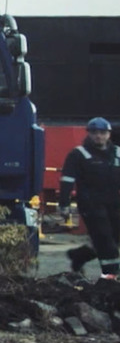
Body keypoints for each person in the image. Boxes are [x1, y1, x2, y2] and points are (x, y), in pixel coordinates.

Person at [62, 117, 120, 277]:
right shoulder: (78, 154)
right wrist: (64, 205)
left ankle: (79, 256)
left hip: (113, 203)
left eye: (102, 133)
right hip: (90, 204)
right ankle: (110, 276)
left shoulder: (117, 153)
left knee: (114, 239)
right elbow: (67, 180)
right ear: (89, 134)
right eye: (94, 133)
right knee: (105, 240)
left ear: (109, 134)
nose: (98, 136)